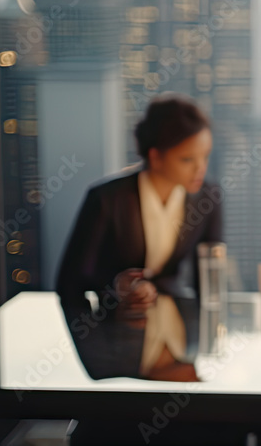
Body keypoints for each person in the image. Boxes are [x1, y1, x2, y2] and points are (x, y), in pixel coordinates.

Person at [56, 93, 222, 381]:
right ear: (155, 156)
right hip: (116, 325)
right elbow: (70, 282)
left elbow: (207, 276)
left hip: (177, 322)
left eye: (205, 157)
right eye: (187, 159)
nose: (200, 169)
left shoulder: (208, 197)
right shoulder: (106, 199)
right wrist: (117, 289)